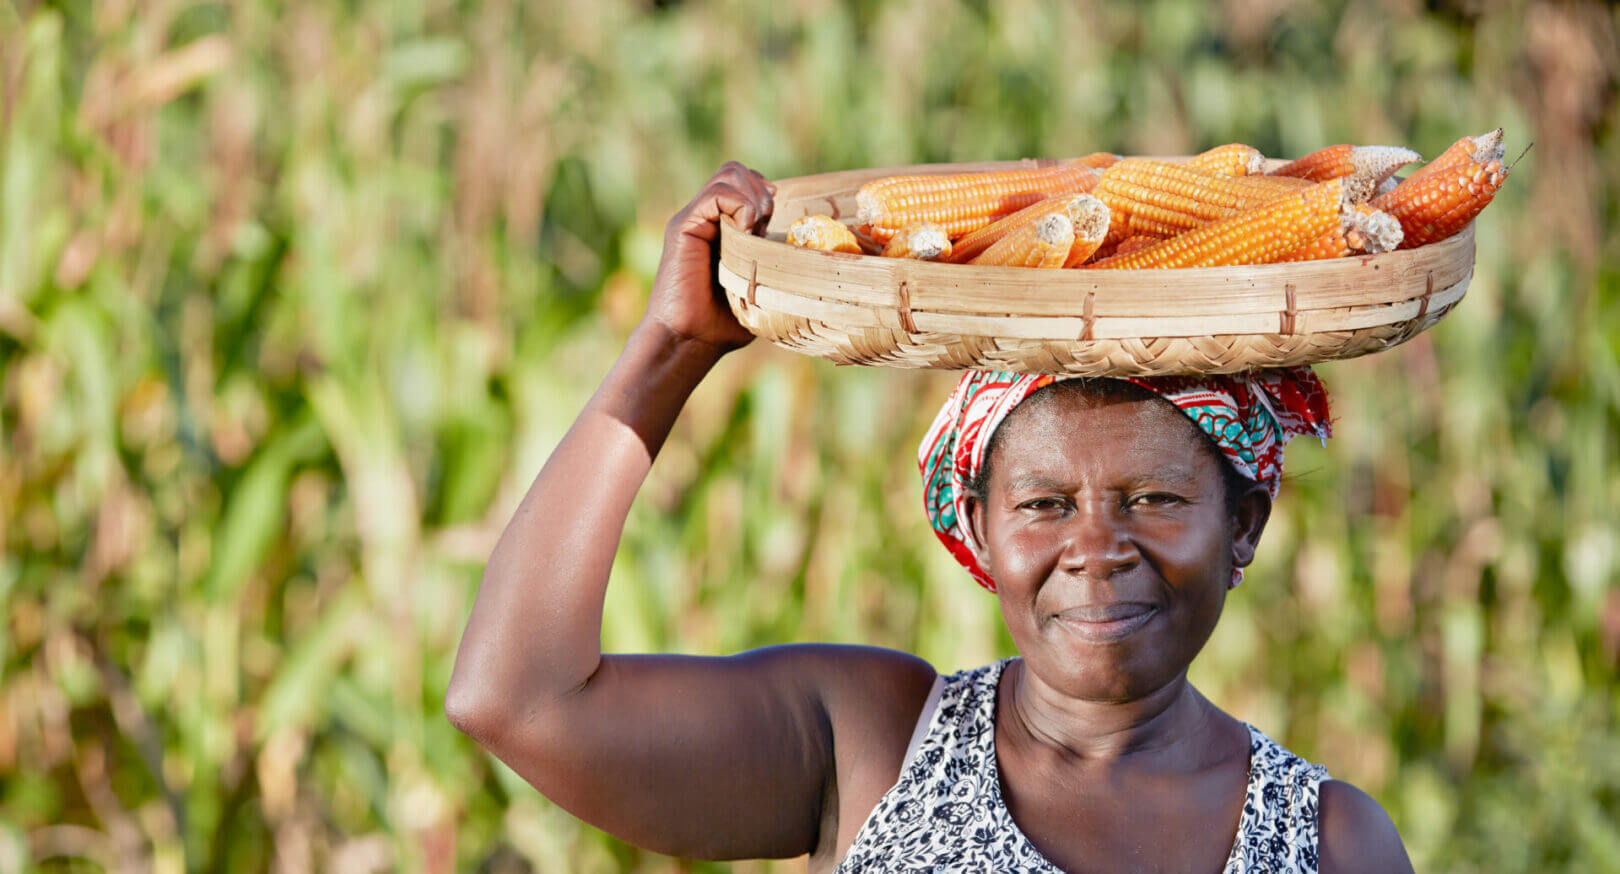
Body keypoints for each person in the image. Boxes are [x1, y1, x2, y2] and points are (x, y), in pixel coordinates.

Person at [445, 162, 1416, 873]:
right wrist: (669, 348)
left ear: (1245, 522)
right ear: (980, 528)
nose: (1095, 549)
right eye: (1044, 504)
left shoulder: (1327, 841)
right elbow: (516, 696)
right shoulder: (872, 740)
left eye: (1154, 499)